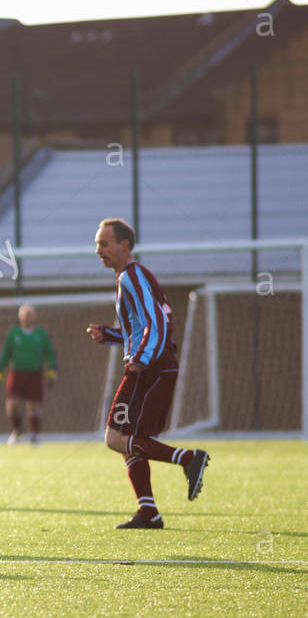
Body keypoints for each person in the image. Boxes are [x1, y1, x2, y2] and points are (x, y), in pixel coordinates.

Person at [87, 218, 209, 529]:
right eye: (97, 243)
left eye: (104, 243)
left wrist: (139, 360)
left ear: (124, 245)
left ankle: (188, 459)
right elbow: (142, 326)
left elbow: (156, 321)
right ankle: (148, 511)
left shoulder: (132, 274)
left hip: (150, 365)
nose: (98, 249)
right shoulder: (130, 276)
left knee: (115, 438)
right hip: (155, 360)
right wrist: (110, 335)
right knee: (131, 437)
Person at [0, 304, 57, 445]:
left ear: (35, 317)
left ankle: (34, 435)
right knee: (12, 404)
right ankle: (17, 431)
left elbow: (50, 353)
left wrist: (51, 371)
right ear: (20, 317)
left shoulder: (41, 334)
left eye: (30, 314)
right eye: (25, 314)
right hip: (16, 373)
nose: (28, 317)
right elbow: (5, 353)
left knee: (33, 405)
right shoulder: (14, 333)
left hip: (34, 373)